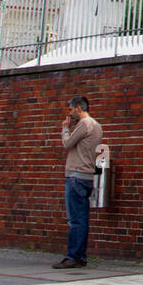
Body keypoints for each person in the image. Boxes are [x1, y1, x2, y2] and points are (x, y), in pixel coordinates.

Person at [53, 95, 103, 269]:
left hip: (76, 175)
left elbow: (67, 144)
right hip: (87, 175)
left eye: (71, 109)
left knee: (75, 220)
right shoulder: (97, 126)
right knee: (82, 219)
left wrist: (65, 128)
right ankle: (80, 256)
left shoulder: (84, 124)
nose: (70, 113)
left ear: (79, 108)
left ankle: (73, 256)